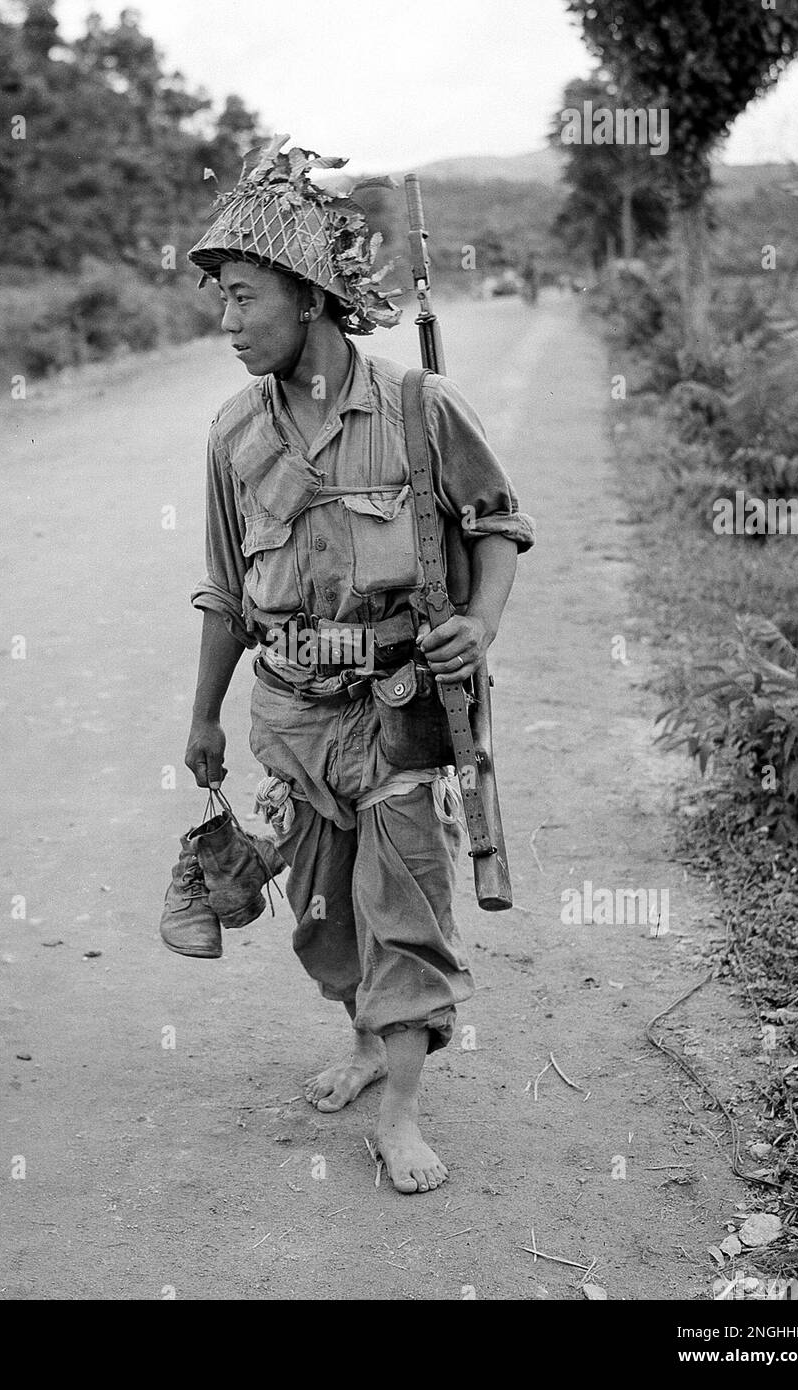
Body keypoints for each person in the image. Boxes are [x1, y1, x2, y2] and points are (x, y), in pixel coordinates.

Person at [182, 137, 535, 1194]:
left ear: (311, 299)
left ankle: (401, 1111)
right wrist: (202, 718)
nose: (229, 323)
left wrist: (479, 623)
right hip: (291, 712)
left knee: (408, 910)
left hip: (398, 707)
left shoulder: (420, 411)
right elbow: (223, 596)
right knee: (327, 921)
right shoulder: (232, 438)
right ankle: (363, 1034)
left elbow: (498, 524)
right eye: (224, 301)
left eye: (245, 298)